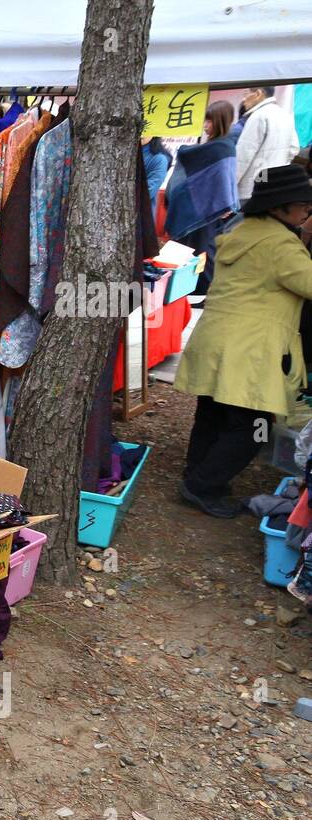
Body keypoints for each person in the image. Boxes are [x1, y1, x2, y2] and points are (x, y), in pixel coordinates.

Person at [175, 164, 312, 517]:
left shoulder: (244, 230)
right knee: (255, 427)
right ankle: (201, 486)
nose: (306, 211)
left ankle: (200, 475)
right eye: (302, 206)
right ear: (279, 207)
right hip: (250, 348)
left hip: (218, 339)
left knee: (213, 414)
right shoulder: (282, 246)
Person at [164, 101, 240, 295]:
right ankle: (190, 286)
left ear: (220, 121)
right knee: (193, 248)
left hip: (209, 208)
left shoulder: (221, 147)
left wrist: (225, 203)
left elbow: (224, 177)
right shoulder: (219, 146)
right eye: (205, 120)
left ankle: (202, 288)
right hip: (202, 205)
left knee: (202, 250)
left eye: (210, 120)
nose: (206, 125)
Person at [236, 87, 301, 203]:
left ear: (258, 93)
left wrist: (231, 185)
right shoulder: (284, 114)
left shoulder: (258, 116)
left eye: (246, 94)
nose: (244, 99)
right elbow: (294, 148)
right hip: (275, 183)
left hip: (251, 188)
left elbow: (243, 156)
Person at [142, 136, 171, 218]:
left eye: (147, 131)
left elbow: (149, 191)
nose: (142, 134)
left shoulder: (159, 159)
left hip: (143, 215)